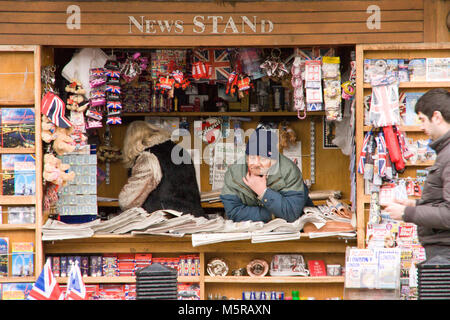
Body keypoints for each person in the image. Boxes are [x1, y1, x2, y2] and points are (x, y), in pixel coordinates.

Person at [383, 88, 450, 260]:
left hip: (444, 252)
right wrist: (415, 204)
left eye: (422, 120)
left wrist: (407, 213)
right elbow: (442, 202)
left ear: (436, 116)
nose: (421, 127)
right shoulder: (444, 152)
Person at [220, 127, 313, 223]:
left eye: (263, 159)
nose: (256, 163)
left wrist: (263, 192)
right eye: (252, 157)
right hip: (249, 232)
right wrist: (273, 215)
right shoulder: (233, 173)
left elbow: (291, 213)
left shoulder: (289, 171)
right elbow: (233, 212)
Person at [118, 120, 205, 217]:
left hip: (166, 221)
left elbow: (128, 201)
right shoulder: (180, 151)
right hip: (194, 218)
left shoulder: (148, 157)